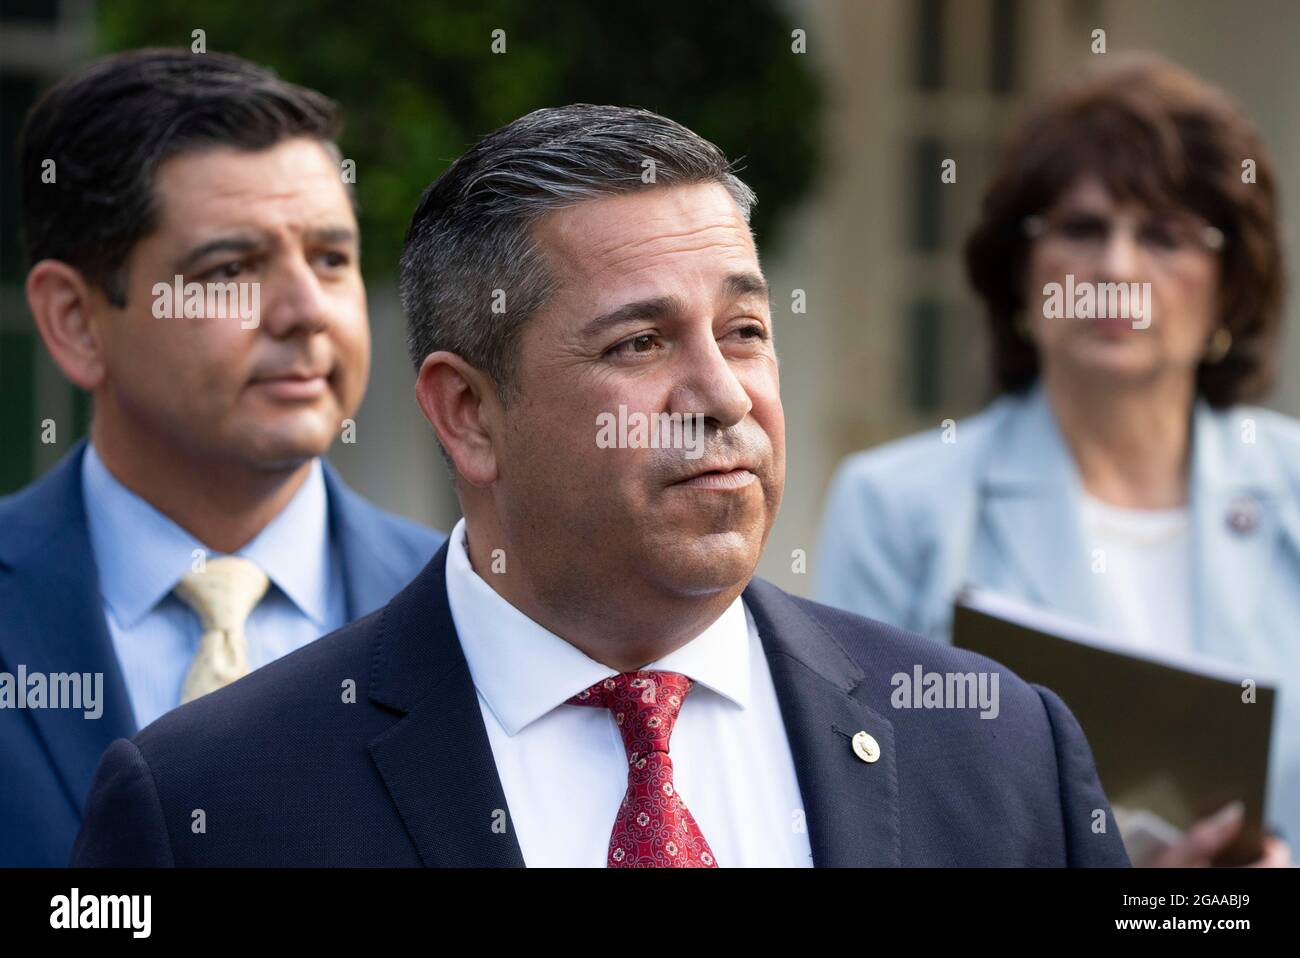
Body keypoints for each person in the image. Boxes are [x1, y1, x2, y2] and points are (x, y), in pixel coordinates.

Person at [71, 104, 1128, 868]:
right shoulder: (209, 803)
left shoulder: (998, 746)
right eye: (640, 341)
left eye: (745, 332)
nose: (723, 395)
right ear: (468, 413)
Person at [815, 55, 1293, 866]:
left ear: (1230, 288)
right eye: (1081, 228)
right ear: (1018, 272)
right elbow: (854, 811)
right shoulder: (894, 505)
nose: (1115, 270)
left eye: (1165, 236)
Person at [0, 49, 443, 867]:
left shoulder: (474, 609)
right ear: (73, 320)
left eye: (331, 258)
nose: (306, 311)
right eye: (231, 269)